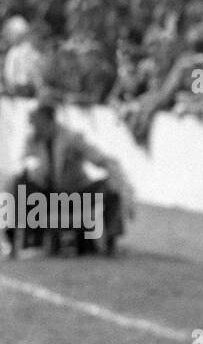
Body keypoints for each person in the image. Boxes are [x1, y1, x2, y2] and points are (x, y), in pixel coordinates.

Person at [2, 98, 133, 258]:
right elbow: (23, 166)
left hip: (76, 194)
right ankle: (17, 242)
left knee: (110, 187)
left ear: (47, 120)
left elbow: (102, 160)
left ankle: (111, 244)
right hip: (47, 196)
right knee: (18, 183)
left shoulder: (71, 138)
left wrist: (123, 184)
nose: (32, 125)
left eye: (35, 121)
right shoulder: (33, 140)